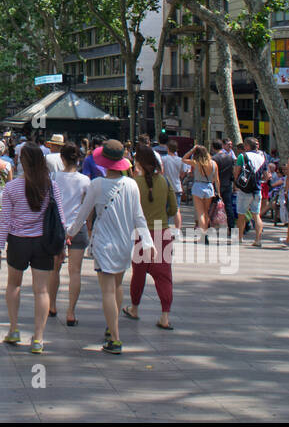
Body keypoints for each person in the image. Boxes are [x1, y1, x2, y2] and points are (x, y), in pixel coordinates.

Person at [67, 139, 154, 355]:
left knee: (107, 290)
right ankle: (110, 326)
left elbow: (83, 213)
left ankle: (115, 339)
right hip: (125, 243)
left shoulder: (97, 185)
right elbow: (139, 216)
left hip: (104, 243)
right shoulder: (132, 184)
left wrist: (69, 233)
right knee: (117, 286)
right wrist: (148, 241)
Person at [0, 144, 67, 354]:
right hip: (43, 243)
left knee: (14, 285)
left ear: (22, 162)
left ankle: (14, 329)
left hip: (18, 242)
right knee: (41, 290)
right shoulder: (51, 186)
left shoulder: (12, 188)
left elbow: (5, 221)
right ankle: (39, 338)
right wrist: (62, 246)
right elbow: (60, 217)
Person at [123, 144, 178, 330]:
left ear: (138, 162)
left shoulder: (134, 183)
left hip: (141, 235)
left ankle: (135, 308)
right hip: (162, 233)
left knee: (138, 274)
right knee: (164, 276)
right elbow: (173, 209)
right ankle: (165, 316)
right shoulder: (165, 182)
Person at [48, 143, 90, 326]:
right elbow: (88, 207)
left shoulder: (54, 177)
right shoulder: (85, 180)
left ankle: (52, 305)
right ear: (78, 158)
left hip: (57, 227)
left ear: (62, 159)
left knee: (54, 269)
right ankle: (71, 312)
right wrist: (88, 227)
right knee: (75, 271)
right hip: (77, 227)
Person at [234, 137, 267, 247]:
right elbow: (266, 176)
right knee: (256, 215)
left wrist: (236, 185)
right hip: (257, 190)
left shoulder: (242, 156)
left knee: (241, 215)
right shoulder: (263, 157)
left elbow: (236, 172)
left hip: (244, 190)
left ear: (247, 146)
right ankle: (258, 239)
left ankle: (239, 238)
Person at [182, 144, 218, 241]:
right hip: (209, 187)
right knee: (206, 212)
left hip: (198, 187)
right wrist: (218, 192)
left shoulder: (196, 163)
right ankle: (206, 231)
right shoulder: (214, 164)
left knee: (200, 213)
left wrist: (192, 150)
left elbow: (184, 159)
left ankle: (203, 234)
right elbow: (217, 180)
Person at [213, 139, 237, 235]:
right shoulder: (230, 158)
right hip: (227, 184)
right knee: (228, 206)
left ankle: (210, 226)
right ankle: (231, 228)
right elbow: (233, 172)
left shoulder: (214, 159)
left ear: (213, 147)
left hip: (217, 185)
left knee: (213, 206)